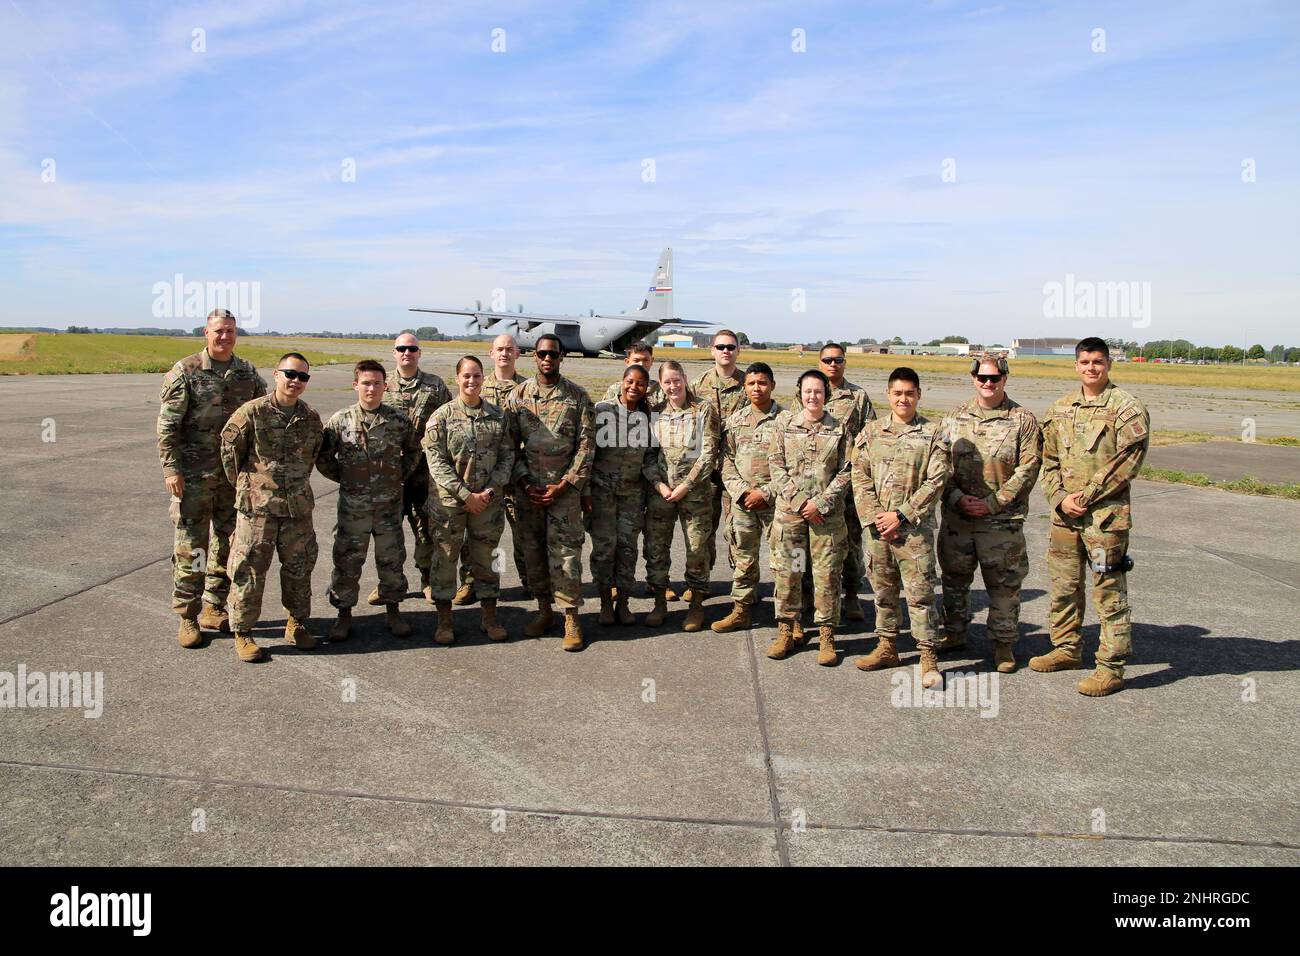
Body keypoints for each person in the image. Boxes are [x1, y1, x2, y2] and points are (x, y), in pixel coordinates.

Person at [1033, 337, 1150, 697]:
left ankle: (1111, 667)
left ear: (1109, 364)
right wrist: (1059, 498)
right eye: (1084, 362)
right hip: (1065, 518)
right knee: (1065, 588)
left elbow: (1127, 462)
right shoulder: (1061, 408)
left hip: (1104, 522)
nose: (1091, 368)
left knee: (1108, 592)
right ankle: (1067, 649)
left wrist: (1085, 496)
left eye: (1097, 362)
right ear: (1076, 365)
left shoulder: (1127, 408)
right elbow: (1047, 461)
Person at [157, 308, 266, 648]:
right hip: (193, 477)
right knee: (191, 546)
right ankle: (188, 617)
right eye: (219, 330)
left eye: (231, 331)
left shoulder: (247, 373)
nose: (225, 336)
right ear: (206, 332)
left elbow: (260, 421)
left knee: (227, 543)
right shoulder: (186, 371)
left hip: (233, 479)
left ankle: (214, 606)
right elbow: (168, 426)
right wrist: (171, 469)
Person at [938, 355, 1042, 673]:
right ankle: (954, 634)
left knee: (1004, 586)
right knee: (954, 581)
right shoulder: (953, 418)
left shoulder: (1022, 419)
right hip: (959, 519)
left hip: (1001, 522)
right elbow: (939, 465)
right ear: (973, 379)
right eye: (982, 378)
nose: (987, 383)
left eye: (994, 378)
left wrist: (994, 503)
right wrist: (956, 497)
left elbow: (1029, 468)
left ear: (1005, 380)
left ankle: (1003, 645)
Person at [220, 353, 324, 663]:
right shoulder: (251, 413)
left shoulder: (310, 417)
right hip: (258, 511)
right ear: (276, 374)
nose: (295, 381)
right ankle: (243, 631)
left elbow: (315, 454)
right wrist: (248, 488)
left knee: (299, 569)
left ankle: (296, 623)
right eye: (290, 373)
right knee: (249, 571)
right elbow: (229, 454)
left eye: (302, 376)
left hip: (297, 510)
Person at [851, 367, 949, 689]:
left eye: (909, 393)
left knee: (920, 595)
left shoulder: (934, 435)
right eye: (897, 393)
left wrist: (902, 516)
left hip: (914, 533)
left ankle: (927, 656)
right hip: (879, 530)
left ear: (919, 395)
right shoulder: (871, 432)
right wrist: (879, 518)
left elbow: (936, 481)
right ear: (888, 395)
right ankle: (887, 646)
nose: (903, 399)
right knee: (883, 591)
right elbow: (860, 478)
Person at [317, 360, 422, 643]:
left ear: (385, 386)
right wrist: (348, 478)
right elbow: (324, 457)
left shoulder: (398, 421)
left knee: (391, 560)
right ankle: (344, 614)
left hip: (389, 507)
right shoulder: (341, 421)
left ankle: (393, 610)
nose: (371, 388)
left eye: (377, 383)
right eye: (366, 383)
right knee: (347, 562)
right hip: (354, 508)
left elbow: (414, 451)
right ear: (355, 385)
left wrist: (398, 476)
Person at [507, 334, 596, 651]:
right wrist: (524, 482)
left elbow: (586, 447)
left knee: (567, 557)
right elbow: (509, 448)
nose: (547, 359)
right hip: (529, 492)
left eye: (553, 354)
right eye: (542, 353)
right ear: (535, 357)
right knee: (533, 553)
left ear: (561, 357)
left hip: (564, 493)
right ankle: (544, 611)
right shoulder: (518, 396)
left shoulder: (577, 397)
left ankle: (571, 618)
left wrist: (566, 484)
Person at [424, 356, 517, 644]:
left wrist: (488, 492)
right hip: (450, 505)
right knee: (445, 560)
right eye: (466, 376)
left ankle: (489, 618)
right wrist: (466, 495)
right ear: (457, 378)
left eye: (476, 376)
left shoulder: (498, 417)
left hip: (487, 504)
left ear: (483, 379)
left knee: (488, 560)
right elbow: (436, 462)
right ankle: (444, 621)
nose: (472, 381)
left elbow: (508, 456)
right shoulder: (442, 416)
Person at [764, 369, 853, 665]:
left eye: (818, 391)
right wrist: (802, 501)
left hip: (825, 521)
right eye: (807, 391)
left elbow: (847, 470)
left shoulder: (840, 429)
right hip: (791, 518)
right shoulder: (784, 425)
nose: (812, 396)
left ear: (826, 395)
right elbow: (775, 466)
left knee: (826, 576)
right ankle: (787, 630)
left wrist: (822, 503)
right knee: (790, 573)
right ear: (799, 394)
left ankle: (827, 636)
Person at [371, 331, 450, 605]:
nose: (407, 353)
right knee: (388, 532)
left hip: (423, 472)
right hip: (389, 474)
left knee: (426, 529)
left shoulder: (435, 386)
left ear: (419, 353)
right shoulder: (382, 384)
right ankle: (390, 583)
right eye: (402, 348)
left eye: (412, 349)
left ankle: (427, 579)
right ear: (394, 352)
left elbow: (447, 423)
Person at [643, 360, 720, 630]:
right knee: (656, 548)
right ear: (661, 384)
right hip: (661, 493)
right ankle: (659, 602)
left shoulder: (703, 409)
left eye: (677, 380)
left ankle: (697, 605)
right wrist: (659, 485)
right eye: (667, 382)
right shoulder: (654, 412)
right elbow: (648, 455)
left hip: (695, 493)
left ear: (685, 379)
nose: (673, 386)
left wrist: (686, 485)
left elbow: (709, 453)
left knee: (697, 549)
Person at [456, 333, 528, 605]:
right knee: (478, 537)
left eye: (510, 349)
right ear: (491, 353)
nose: (504, 354)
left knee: (523, 534)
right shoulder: (477, 386)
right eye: (499, 349)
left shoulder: (527, 388)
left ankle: (529, 581)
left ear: (518, 353)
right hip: (483, 478)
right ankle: (472, 582)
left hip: (517, 476)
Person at [712, 362, 784, 633]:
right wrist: (741, 491)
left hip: (775, 503)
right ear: (745, 387)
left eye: (763, 383)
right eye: (752, 383)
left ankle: (789, 618)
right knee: (743, 557)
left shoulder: (786, 421)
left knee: (783, 561)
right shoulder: (735, 421)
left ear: (772, 385)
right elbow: (725, 460)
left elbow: (794, 466)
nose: (757, 388)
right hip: (743, 503)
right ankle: (741, 609)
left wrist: (765, 492)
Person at [811, 342, 876, 622]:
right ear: (820, 362)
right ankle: (812, 596)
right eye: (827, 360)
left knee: (849, 541)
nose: (833, 364)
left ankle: (851, 594)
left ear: (845, 362)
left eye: (838, 360)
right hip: (815, 483)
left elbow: (869, 436)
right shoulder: (811, 392)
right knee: (815, 542)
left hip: (848, 485)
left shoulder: (858, 397)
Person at [586, 364, 654, 626]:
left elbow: (649, 457)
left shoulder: (648, 417)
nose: (633, 387)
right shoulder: (604, 411)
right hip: (602, 494)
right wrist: (587, 492)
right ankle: (605, 602)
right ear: (622, 382)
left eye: (640, 384)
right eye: (629, 381)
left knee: (627, 550)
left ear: (646, 388)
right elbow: (588, 453)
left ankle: (623, 602)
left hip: (631, 496)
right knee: (603, 550)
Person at [689, 329, 746, 592]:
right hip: (707, 470)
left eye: (731, 347)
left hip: (739, 469)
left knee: (738, 530)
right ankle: (701, 582)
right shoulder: (697, 385)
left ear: (738, 351)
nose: (726, 351)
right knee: (703, 530)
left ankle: (743, 584)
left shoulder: (750, 384)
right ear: (712, 350)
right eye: (721, 346)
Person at [601, 340, 666, 411]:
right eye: (636, 360)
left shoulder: (660, 390)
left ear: (652, 361)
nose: (641, 364)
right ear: (627, 362)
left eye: (646, 360)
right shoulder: (615, 389)